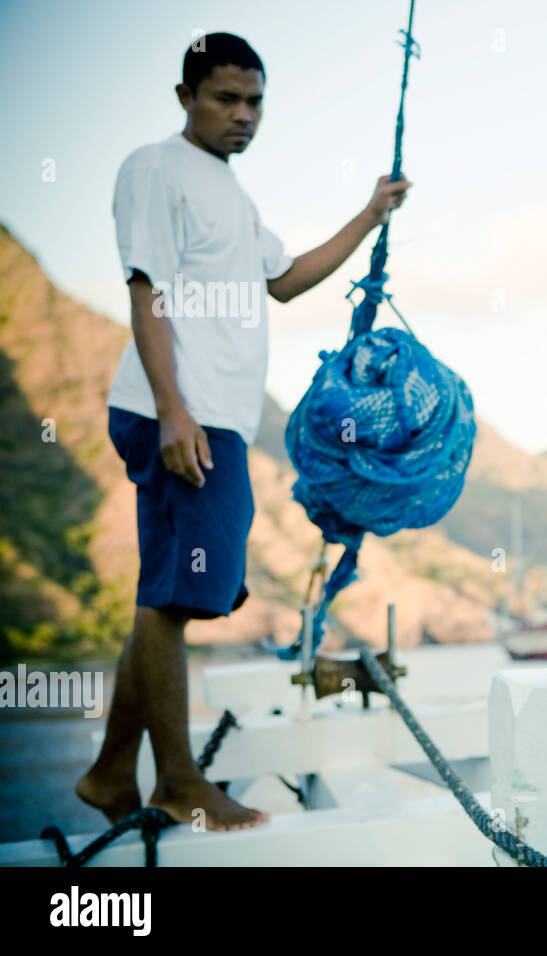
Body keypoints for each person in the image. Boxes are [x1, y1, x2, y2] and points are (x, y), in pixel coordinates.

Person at [76, 33, 412, 832]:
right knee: (174, 596)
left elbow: (287, 280)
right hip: (180, 412)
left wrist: (370, 216)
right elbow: (146, 291)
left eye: (255, 101)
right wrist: (172, 409)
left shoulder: (232, 191)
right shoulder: (156, 170)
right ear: (185, 96)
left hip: (217, 418)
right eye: (226, 98)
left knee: (176, 594)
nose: (244, 115)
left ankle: (111, 773)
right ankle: (178, 782)